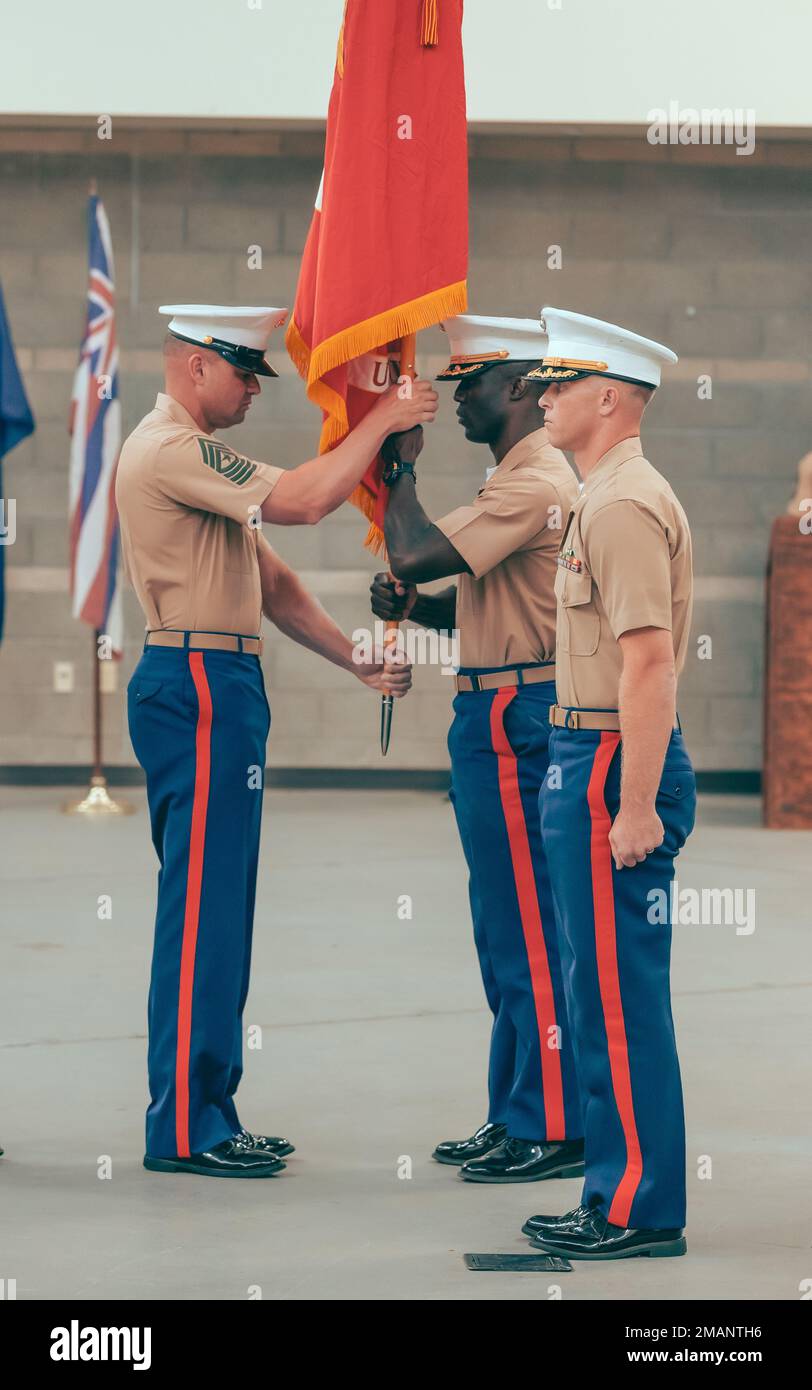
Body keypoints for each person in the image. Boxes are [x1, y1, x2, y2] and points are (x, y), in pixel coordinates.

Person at [116, 303, 437, 1179]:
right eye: (243, 373)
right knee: (203, 911)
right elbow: (300, 501)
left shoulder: (198, 468)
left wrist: (356, 664)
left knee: (222, 908)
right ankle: (184, 1125)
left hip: (222, 684)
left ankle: (208, 1107)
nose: (257, 388)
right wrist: (381, 417)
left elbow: (275, 583)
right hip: (196, 686)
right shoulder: (170, 447)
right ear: (193, 370)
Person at [370, 315, 584, 1183]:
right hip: (494, 708)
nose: (459, 399)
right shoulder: (513, 479)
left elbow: (420, 552)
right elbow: (473, 605)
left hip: (522, 714)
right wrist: (414, 609)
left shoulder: (534, 480)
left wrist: (399, 460)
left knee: (530, 929)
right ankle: (516, 1110)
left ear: (524, 390)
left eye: (474, 384)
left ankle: (555, 1122)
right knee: (504, 930)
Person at [519, 307, 696, 1259]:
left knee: (619, 1000)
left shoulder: (622, 502)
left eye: (558, 384)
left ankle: (637, 1207)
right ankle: (615, 1189)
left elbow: (650, 664)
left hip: (609, 766)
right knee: (600, 995)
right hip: (587, 756)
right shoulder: (606, 494)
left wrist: (632, 803)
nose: (543, 398)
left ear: (608, 398)